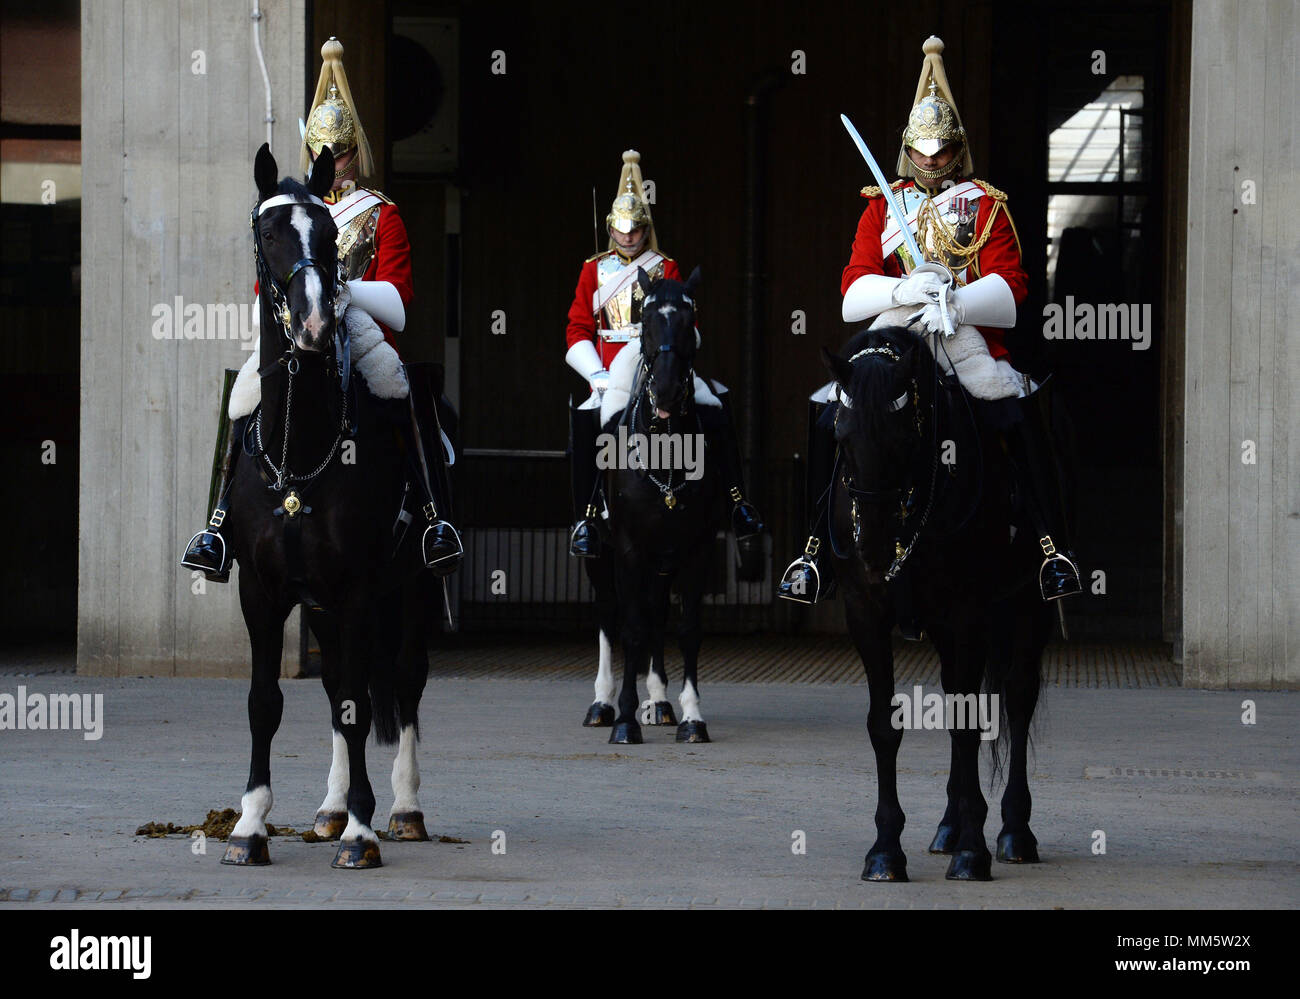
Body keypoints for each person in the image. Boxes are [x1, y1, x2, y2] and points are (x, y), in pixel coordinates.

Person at [777, 35, 1081, 605]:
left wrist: (958, 301)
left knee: (1009, 401)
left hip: (961, 330)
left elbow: (1012, 289)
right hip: (897, 325)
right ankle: (813, 551)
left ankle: (1048, 544)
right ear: (907, 150)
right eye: (922, 151)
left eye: (942, 152)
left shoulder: (985, 203)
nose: (932, 162)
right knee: (829, 409)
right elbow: (852, 290)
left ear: (957, 150)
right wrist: (904, 286)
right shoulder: (881, 206)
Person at [182, 37, 462, 582]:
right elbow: (270, 287)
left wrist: (344, 294)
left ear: (356, 150)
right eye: (320, 154)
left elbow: (399, 303)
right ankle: (217, 523)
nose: (331, 166)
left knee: (398, 390)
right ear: (310, 151)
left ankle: (432, 518)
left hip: (358, 325)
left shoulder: (381, 214)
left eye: (342, 154)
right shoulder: (294, 211)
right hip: (299, 323)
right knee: (243, 394)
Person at [565, 150, 763, 570]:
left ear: (646, 228)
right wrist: (595, 374)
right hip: (608, 370)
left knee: (715, 404)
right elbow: (577, 329)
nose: (629, 237)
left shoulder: (667, 268)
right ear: (610, 228)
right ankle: (586, 518)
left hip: (663, 362)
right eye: (621, 229)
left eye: (636, 229)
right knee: (586, 421)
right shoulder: (592, 272)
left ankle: (736, 502)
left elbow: (685, 324)